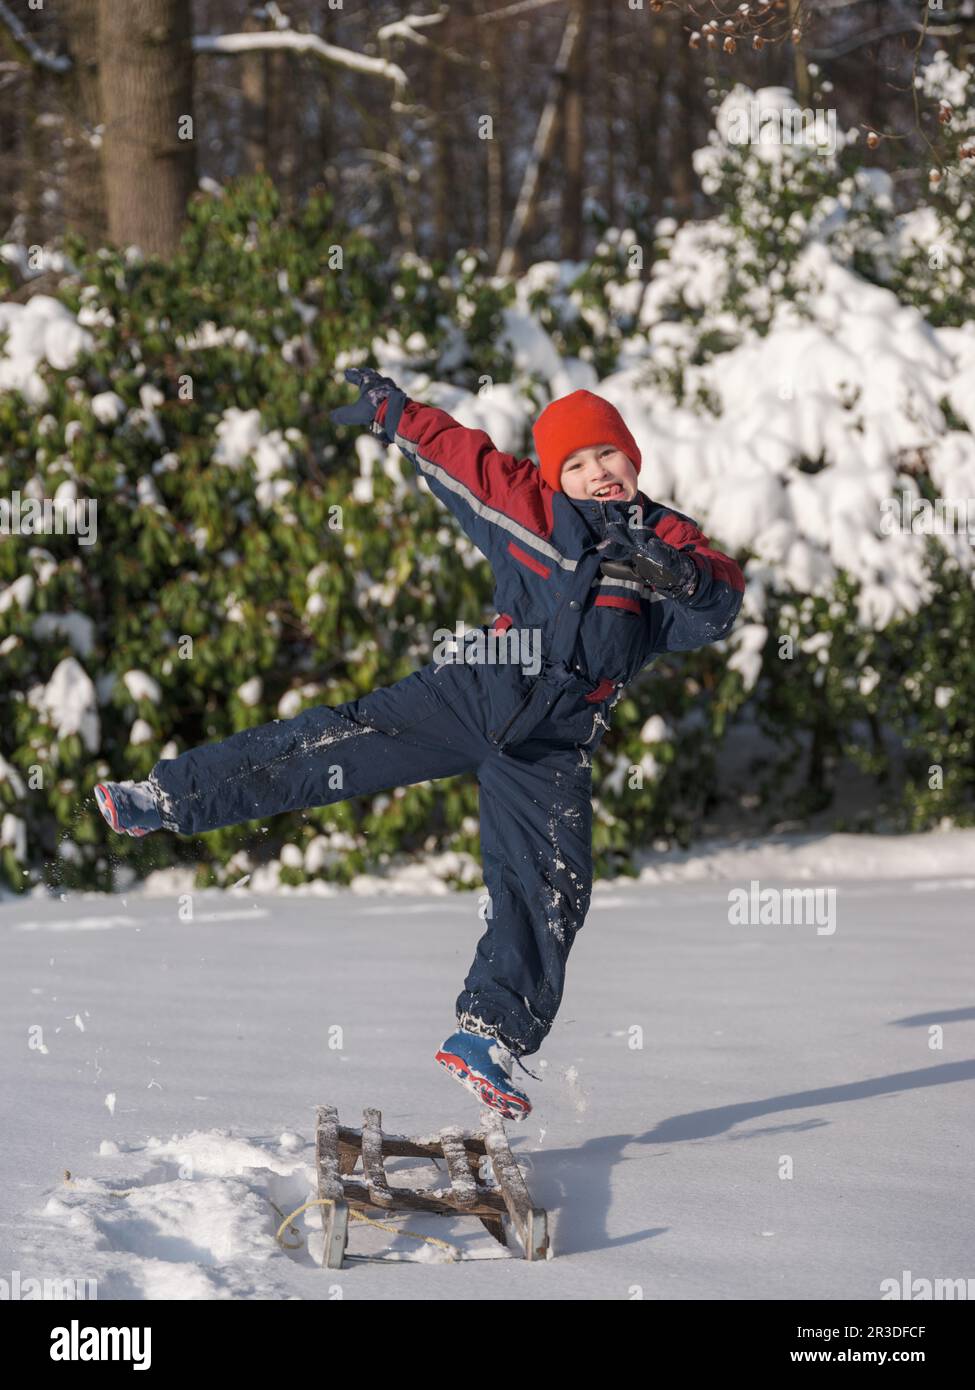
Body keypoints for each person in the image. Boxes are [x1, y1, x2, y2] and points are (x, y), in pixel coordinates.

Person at [93, 368, 745, 1121]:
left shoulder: (667, 542)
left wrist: (685, 579)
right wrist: (393, 412)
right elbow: (457, 456)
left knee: (551, 886)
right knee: (328, 744)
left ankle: (487, 1038)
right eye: (576, 463)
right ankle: (168, 796)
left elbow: (717, 604)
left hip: (555, 744)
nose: (597, 474)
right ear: (552, 473)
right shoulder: (526, 507)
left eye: (608, 456)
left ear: (632, 458)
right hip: (474, 693)